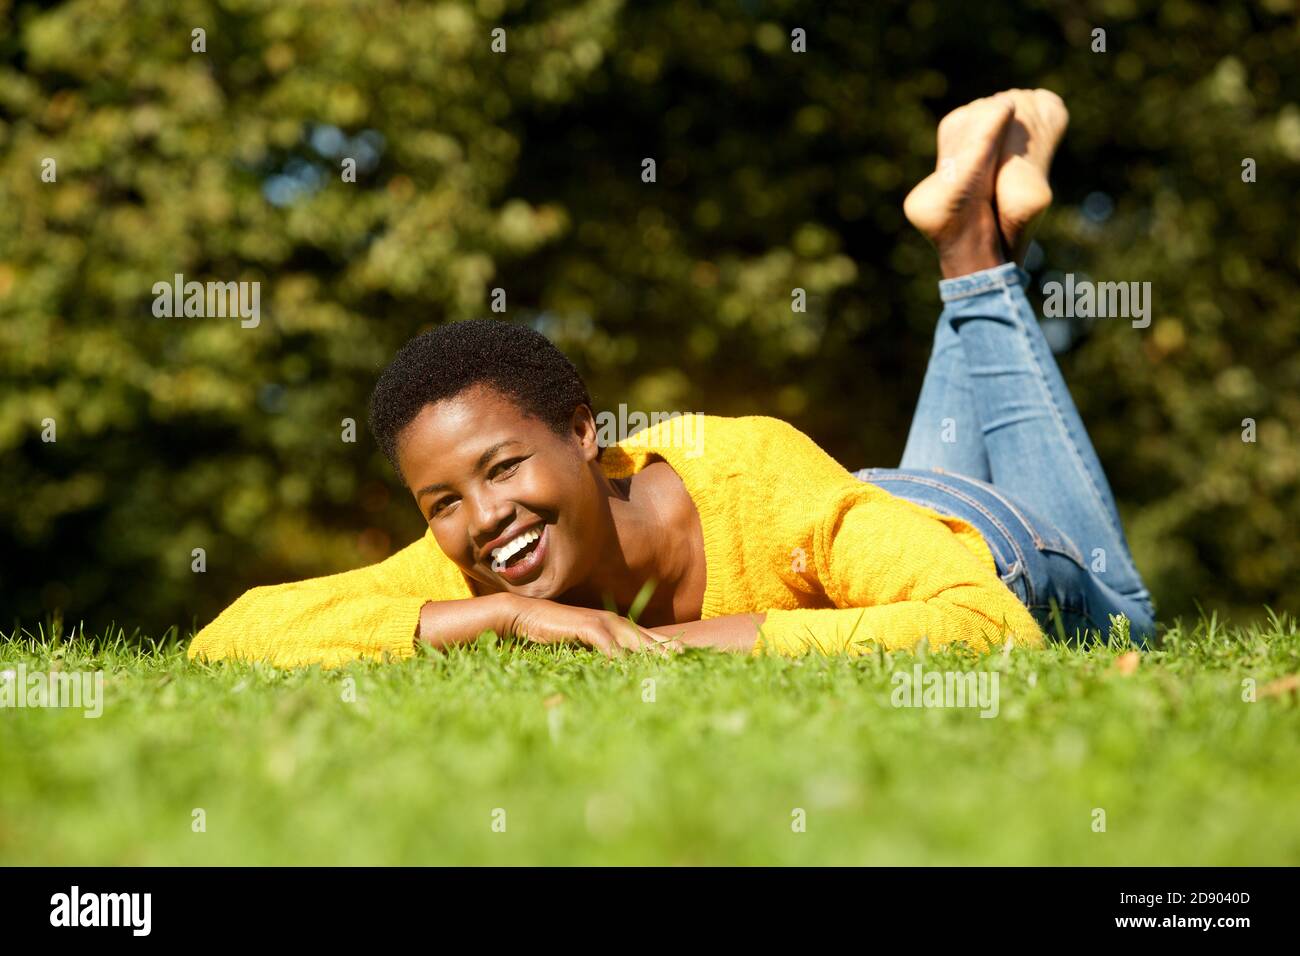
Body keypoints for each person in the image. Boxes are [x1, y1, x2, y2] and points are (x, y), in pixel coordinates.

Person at [187, 89, 1154, 669]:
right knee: (881, 529)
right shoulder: (480, 556)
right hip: (870, 511)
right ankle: (978, 228)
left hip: (1000, 550)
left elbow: (986, 623)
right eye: (441, 502)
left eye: (501, 468)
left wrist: (680, 645)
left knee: (1132, 624)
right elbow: (231, 637)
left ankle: (968, 245)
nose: (481, 519)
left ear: (582, 432)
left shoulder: (754, 482)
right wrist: (504, 614)